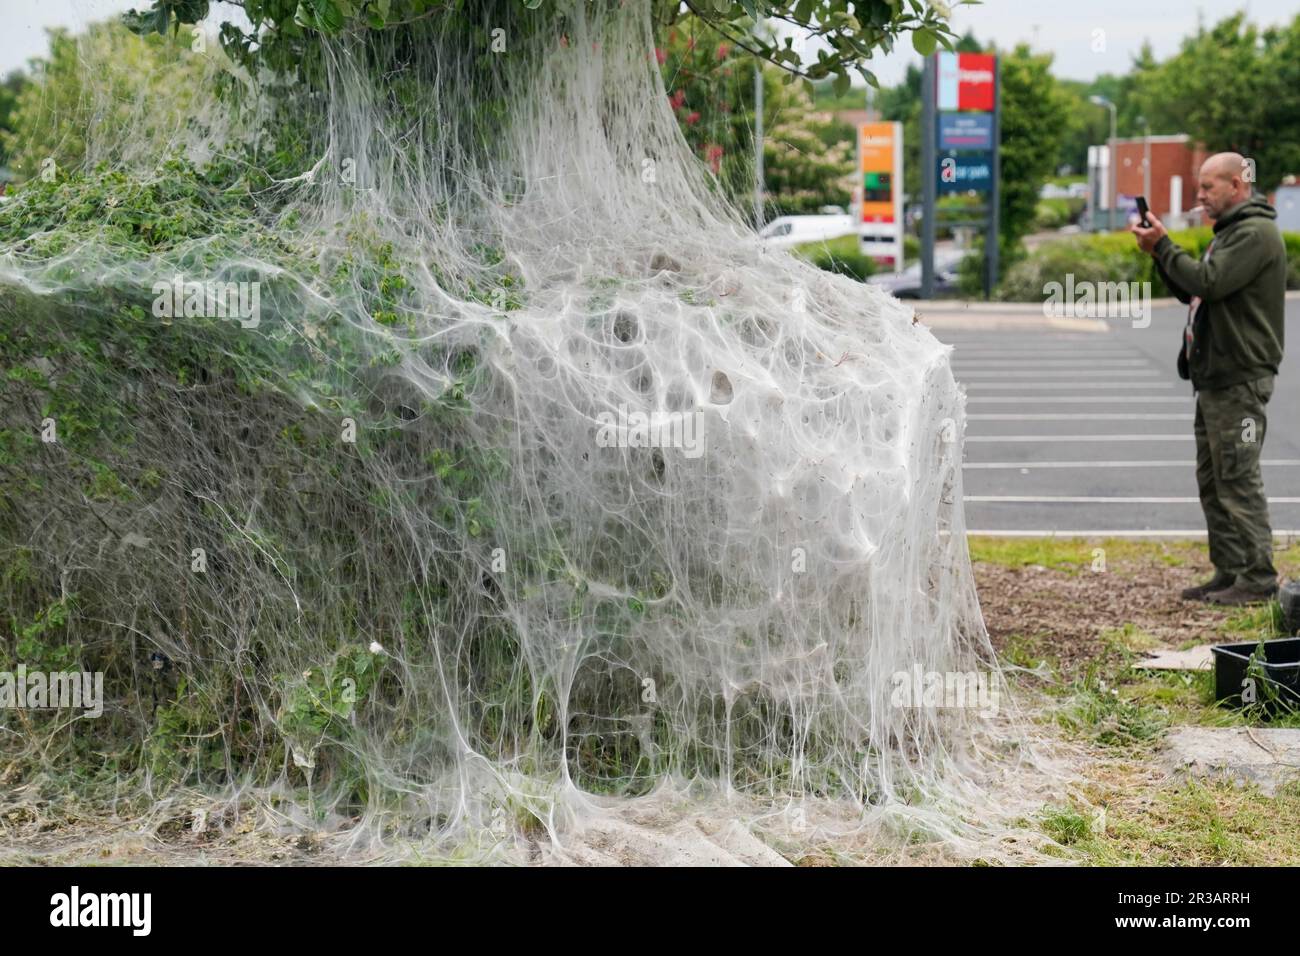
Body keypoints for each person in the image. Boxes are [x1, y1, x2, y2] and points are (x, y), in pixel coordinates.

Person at [1131, 152, 1287, 606]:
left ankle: (1257, 578)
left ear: (1237, 186)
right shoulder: (1233, 232)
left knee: (1237, 476)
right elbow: (1194, 287)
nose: (1200, 195)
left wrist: (1164, 246)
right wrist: (1160, 253)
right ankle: (1231, 571)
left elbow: (1209, 281)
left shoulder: (1255, 233)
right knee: (1214, 478)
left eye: (1208, 187)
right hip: (1217, 376)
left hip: (1239, 376)